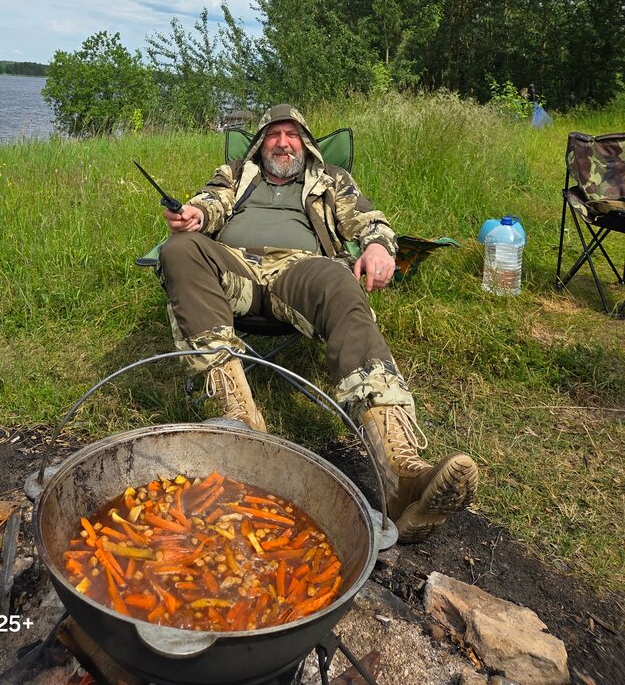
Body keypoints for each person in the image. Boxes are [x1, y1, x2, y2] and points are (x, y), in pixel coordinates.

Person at [157, 104, 478, 542]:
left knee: (340, 282)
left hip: (302, 271)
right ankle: (238, 419)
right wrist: (193, 216)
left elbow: (370, 220)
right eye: (273, 134)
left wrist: (380, 247)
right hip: (234, 270)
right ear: (260, 143)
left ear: (305, 143)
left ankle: (400, 474)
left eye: (291, 134)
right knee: (177, 249)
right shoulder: (235, 173)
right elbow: (208, 205)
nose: (282, 142)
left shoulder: (330, 181)